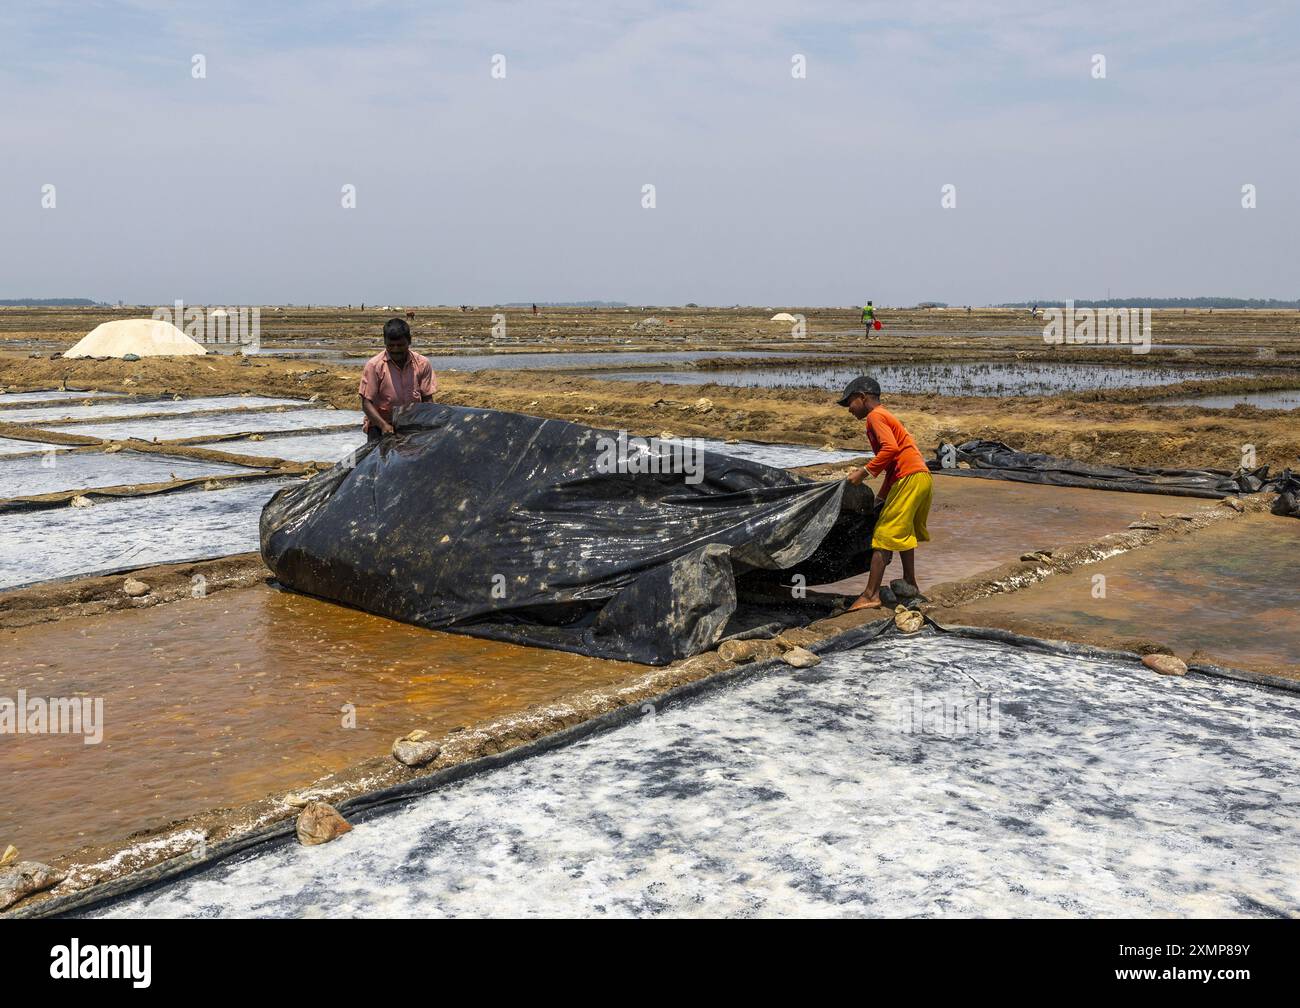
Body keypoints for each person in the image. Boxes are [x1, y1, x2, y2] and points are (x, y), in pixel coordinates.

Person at [836, 375, 933, 611]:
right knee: (903, 531)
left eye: (850, 402)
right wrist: (881, 497)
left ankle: (870, 594)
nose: (849, 409)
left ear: (863, 397)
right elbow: (893, 465)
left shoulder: (876, 416)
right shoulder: (884, 416)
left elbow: (891, 449)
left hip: (909, 478)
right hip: (920, 477)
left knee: (883, 535)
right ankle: (909, 583)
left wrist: (864, 472)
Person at [358, 318, 436, 441]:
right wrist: (384, 426)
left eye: (400, 345)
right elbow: (366, 403)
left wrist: (429, 423)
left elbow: (427, 398)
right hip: (380, 424)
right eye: (391, 345)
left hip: (412, 423)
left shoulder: (422, 363)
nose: (395, 349)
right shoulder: (374, 365)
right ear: (385, 342)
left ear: (409, 341)